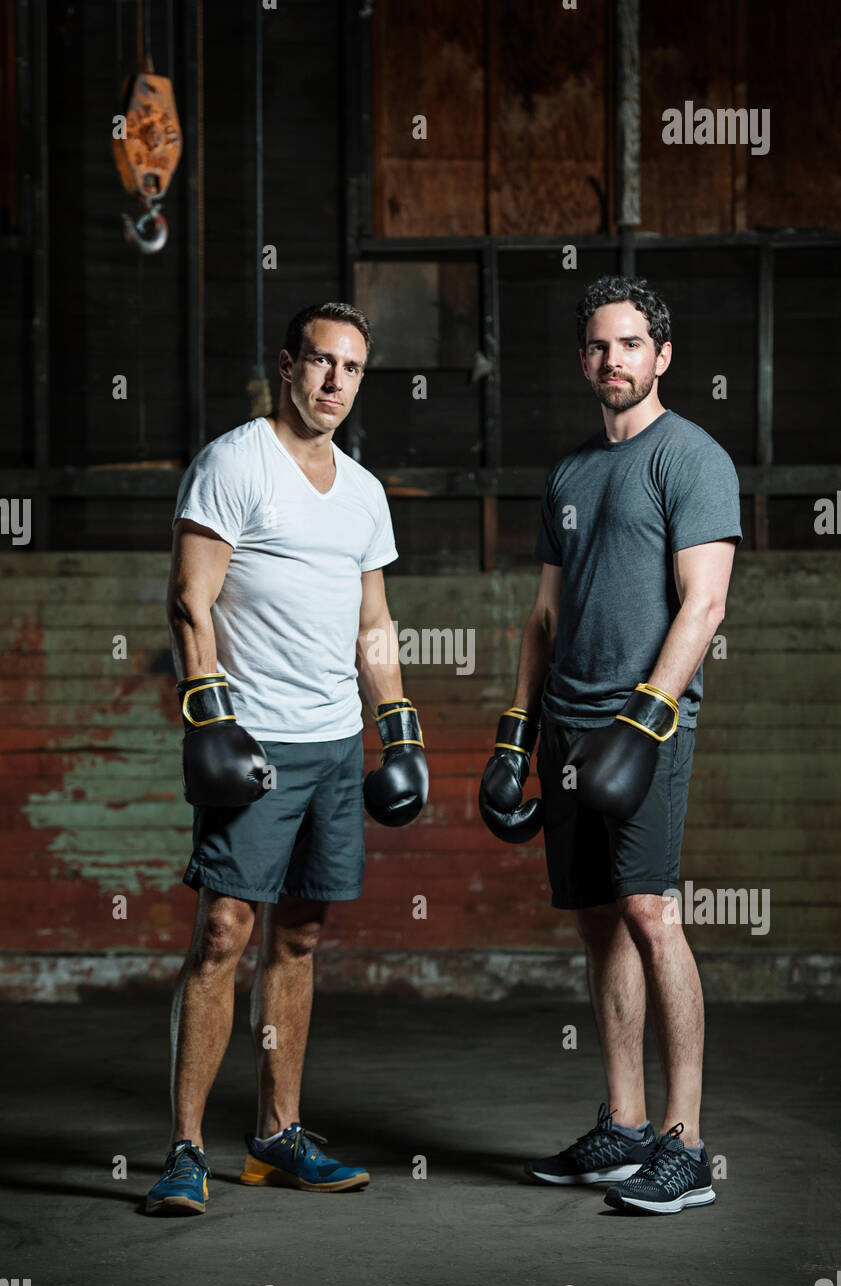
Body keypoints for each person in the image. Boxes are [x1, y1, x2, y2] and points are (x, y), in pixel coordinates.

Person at [146, 302, 427, 1215]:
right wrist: (210, 718)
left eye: (352, 368)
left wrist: (400, 727)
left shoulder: (362, 492)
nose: (335, 382)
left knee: (300, 935)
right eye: (320, 362)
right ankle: (185, 1150)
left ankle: (274, 1138)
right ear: (287, 365)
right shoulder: (234, 462)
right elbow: (191, 601)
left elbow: (373, 625)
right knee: (225, 931)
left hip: (336, 742)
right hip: (255, 742)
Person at [479, 275, 741, 1214]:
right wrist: (518, 730)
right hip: (567, 727)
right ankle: (624, 1127)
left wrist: (644, 719)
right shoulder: (570, 473)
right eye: (596, 346)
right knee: (596, 916)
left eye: (629, 344)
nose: (611, 360)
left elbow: (703, 604)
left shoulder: (692, 457)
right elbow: (544, 614)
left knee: (648, 911)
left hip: (644, 727)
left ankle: (685, 1142)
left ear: (661, 356)